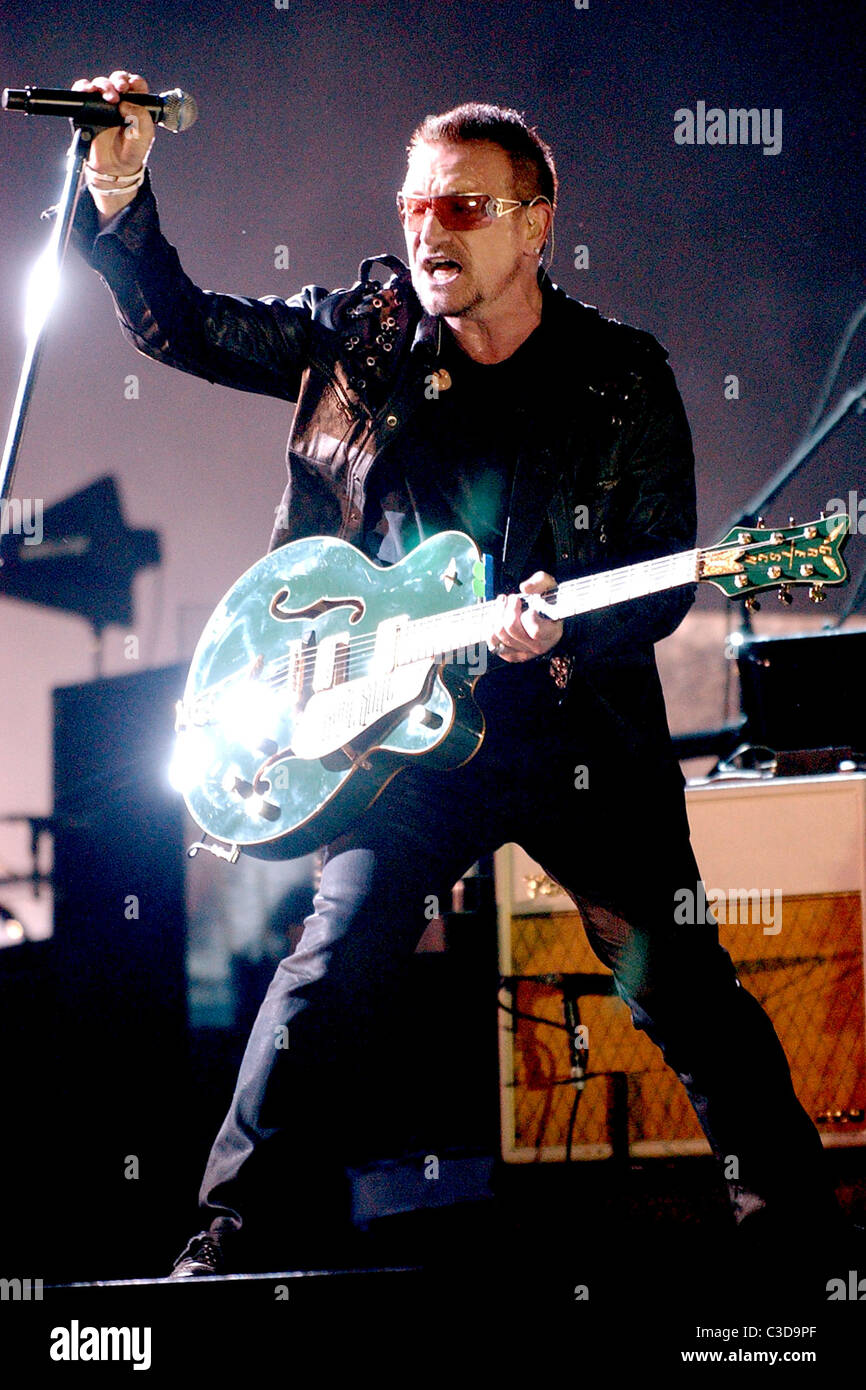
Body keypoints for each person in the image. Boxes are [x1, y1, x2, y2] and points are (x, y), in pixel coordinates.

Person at [70, 69, 843, 1279]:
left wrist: (563, 634)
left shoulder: (620, 375)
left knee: (675, 973)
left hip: (570, 726)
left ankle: (798, 1242)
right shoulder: (359, 338)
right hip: (404, 733)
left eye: (465, 210)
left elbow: (658, 581)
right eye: (414, 206)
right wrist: (117, 184)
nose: (429, 230)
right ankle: (227, 1246)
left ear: (535, 223)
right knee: (329, 968)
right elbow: (187, 325)